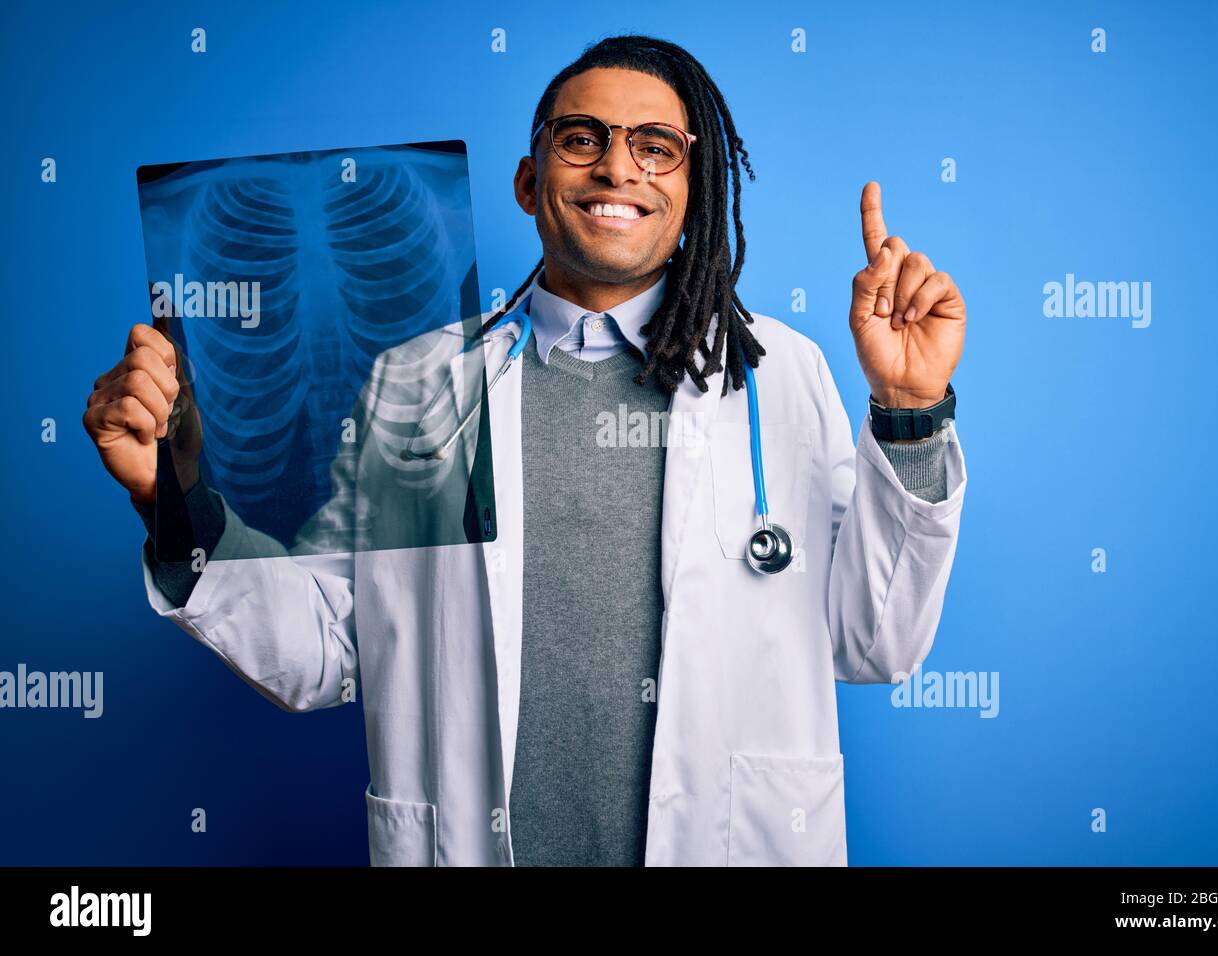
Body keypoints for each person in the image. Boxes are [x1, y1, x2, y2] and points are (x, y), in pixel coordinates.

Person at [82, 34, 968, 867]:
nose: (618, 165)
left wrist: (913, 411)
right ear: (527, 178)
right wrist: (174, 499)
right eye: (583, 138)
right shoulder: (418, 382)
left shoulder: (779, 374)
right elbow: (326, 650)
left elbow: (875, 641)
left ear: (694, 189)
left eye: (657, 146)